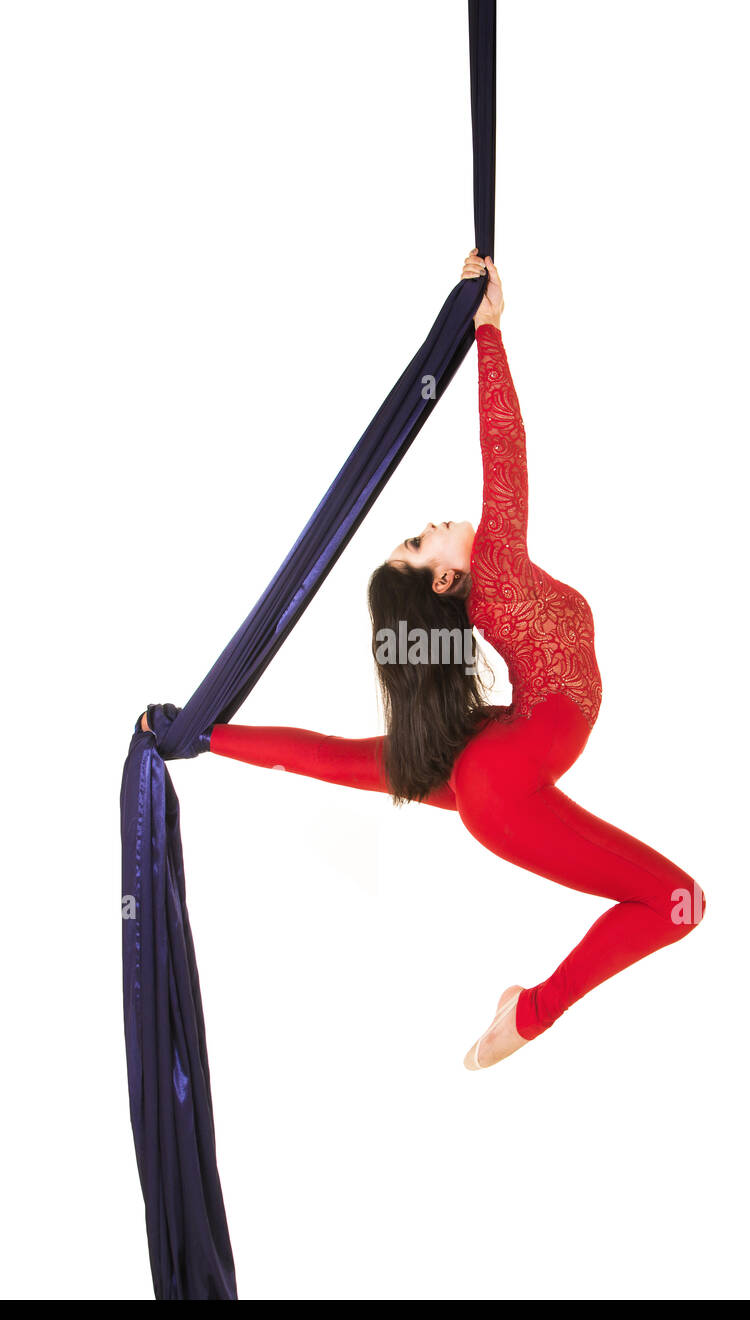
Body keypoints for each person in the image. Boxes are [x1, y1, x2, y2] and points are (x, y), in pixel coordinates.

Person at [143, 248, 706, 1069]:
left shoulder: (463, 735)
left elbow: (325, 759)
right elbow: (505, 455)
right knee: (676, 902)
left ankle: (529, 1013)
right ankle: (531, 1014)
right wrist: (488, 336)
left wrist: (199, 734)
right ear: (445, 575)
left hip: (500, 772)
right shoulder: (498, 575)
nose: (430, 525)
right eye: (418, 542)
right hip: (507, 780)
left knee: (372, 767)